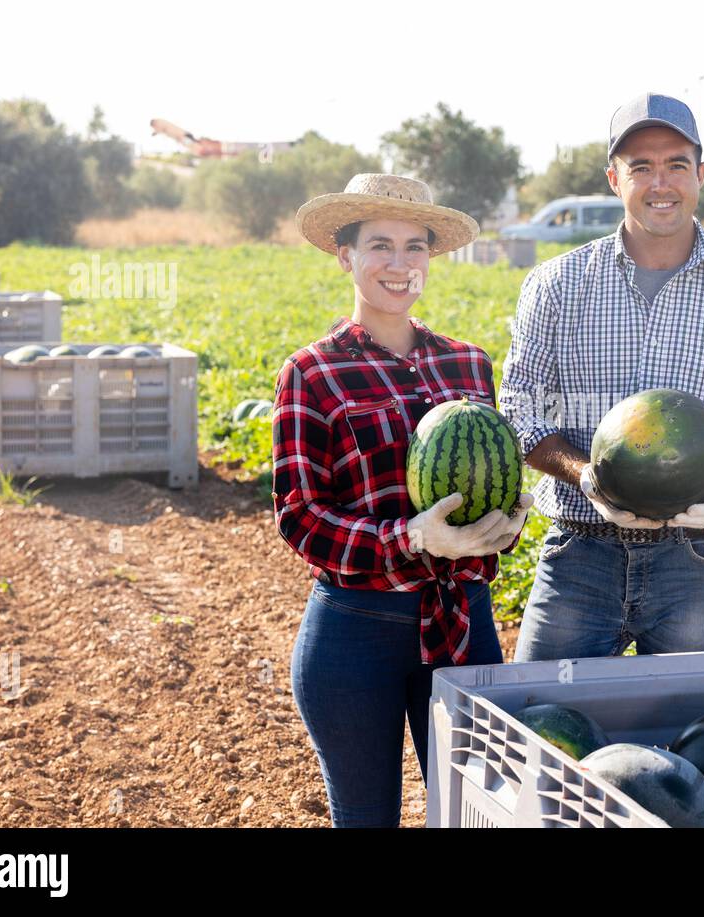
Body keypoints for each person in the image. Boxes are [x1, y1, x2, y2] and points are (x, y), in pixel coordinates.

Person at [500, 93, 704, 662]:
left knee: (682, 734)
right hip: (579, 555)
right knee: (539, 723)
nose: (659, 182)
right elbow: (519, 405)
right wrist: (584, 473)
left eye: (676, 165)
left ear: (701, 176)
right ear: (614, 179)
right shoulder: (557, 285)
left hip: (697, 559)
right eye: (641, 167)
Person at [274, 173, 533, 827]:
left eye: (414, 246)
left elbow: (482, 479)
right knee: (367, 819)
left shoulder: (468, 363)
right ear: (346, 255)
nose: (399, 263)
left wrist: (503, 526)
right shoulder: (312, 372)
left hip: (461, 621)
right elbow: (301, 517)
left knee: (479, 814)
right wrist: (412, 538)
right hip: (356, 631)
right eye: (380, 245)